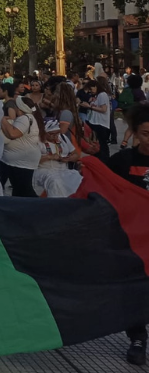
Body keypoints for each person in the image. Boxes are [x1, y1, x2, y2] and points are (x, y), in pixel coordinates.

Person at [108, 103, 149, 365]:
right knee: (134, 291)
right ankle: (137, 338)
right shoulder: (123, 161)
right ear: (133, 133)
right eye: (146, 133)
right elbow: (102, 191)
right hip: (133, 242)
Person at [0, 96, 42, 197]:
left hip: (22, 162)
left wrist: (2, 119)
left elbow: (13, 134)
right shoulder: (27, 118)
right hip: (18, 161)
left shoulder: (25, 119)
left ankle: (41, 208)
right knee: (19, 189)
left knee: (24, 189)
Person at [32, 120, 82, 198]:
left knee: (77, 177)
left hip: (63, 170)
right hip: (44, 170)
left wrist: (69, 159)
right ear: (44, 132)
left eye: (57, 133)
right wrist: (49, 157)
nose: (55, 136)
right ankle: (56, 203)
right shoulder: (38, 141)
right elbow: (32, 160)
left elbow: (76, 154)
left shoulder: (62, 137)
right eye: (52, 134)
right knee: (55, 181)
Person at [79, 78, 111, 160]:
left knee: (102, 144)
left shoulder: (102, 95)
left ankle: (105, 160)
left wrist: (89, 107)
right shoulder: (96, 96)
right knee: (96, 143)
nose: (90, 91)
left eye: (91, 89)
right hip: (94, 122)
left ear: (96, 86)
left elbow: (104, 109)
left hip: (101, 123)